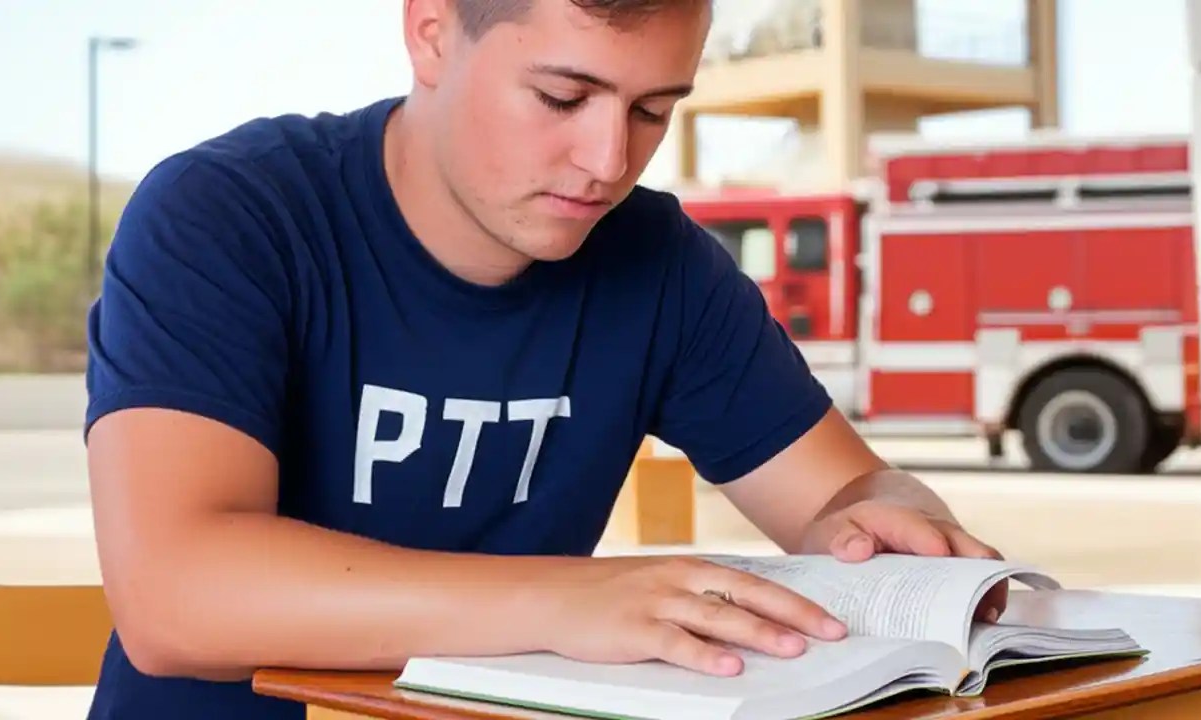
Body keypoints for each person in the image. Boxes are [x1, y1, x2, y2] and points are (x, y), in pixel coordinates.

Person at [82, 0, 1005, 718]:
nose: (608, 160)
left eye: (653, 110)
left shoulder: (662, 266)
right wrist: (570, 601)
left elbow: (843, 500)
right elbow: (174, 596)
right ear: (432, 33)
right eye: (563, 97)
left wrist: (889, 516)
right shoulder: (228, 216)